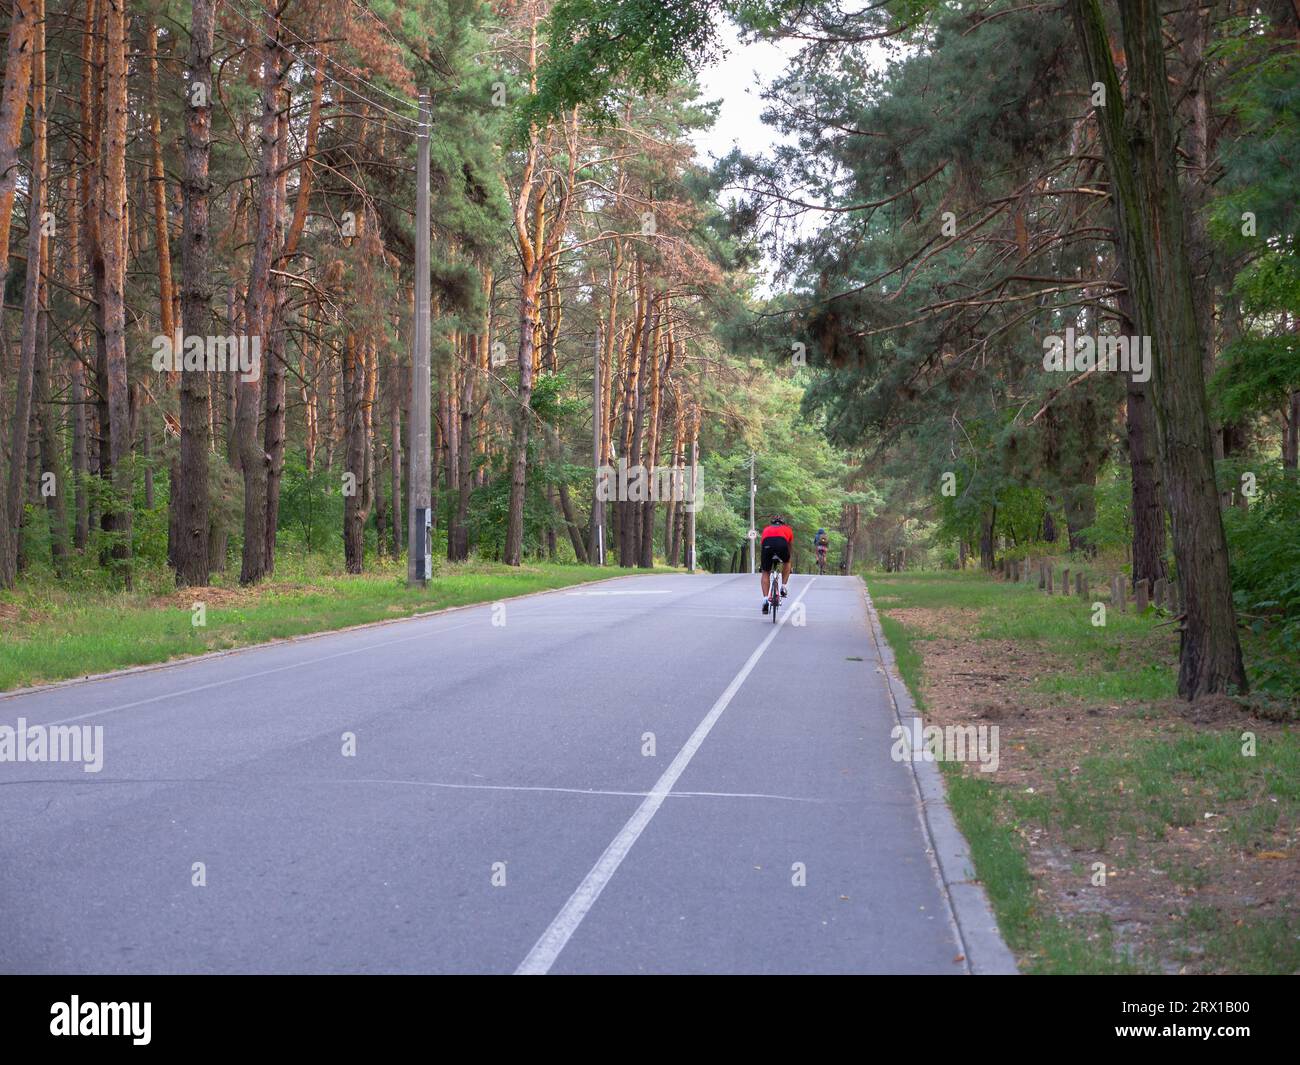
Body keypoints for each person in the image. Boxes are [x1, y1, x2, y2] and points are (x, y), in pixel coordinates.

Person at [759, 515, 793, 614]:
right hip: (781, 544)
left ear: (772, 523)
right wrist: (788, 558)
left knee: (765, 572)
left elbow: (763, 544)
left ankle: (765, 600)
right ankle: (783, 587)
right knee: (787, 562)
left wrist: (764, 561)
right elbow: (789, 546)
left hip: (767, 546)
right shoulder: (787, 529)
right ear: (783, 523)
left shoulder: (766, 529)